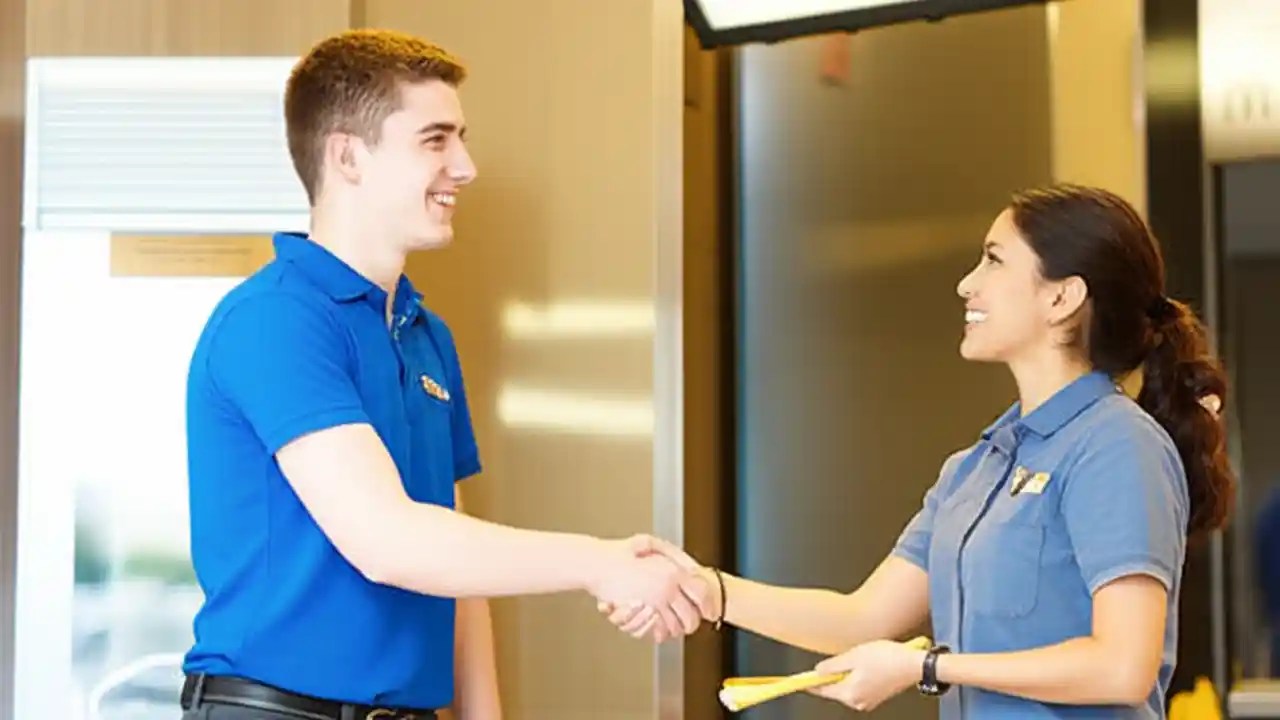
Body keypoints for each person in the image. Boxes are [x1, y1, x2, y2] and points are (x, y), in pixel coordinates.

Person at [179, 28, 698, 720]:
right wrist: (599, 563)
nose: (465, 166)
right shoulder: (274, 320)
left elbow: (452, 555)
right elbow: (388, 541)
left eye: (460, 139)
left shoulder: (425, 334)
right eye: (435, 140)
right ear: (347, 156)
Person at [608, 184, 1235, 718]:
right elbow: (861, 619)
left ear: (1061, 297)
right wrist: (708, 589)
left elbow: (1122, 667)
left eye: (993, 261)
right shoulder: (976, 467)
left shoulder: (1116, 445)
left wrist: (929, 666)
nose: (967, 284)